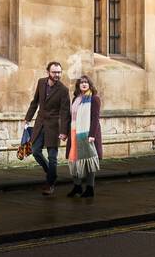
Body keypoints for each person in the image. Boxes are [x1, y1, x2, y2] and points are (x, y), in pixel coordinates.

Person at [24, 60, 71, 195]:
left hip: (54, 127)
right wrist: (27, 118)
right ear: (48, 72)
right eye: (54, 72)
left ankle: (50, 184)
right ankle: (51, 174)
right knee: (35, 151)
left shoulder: (63, 90)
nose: (57, 75)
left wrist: (64, 132)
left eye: (59, 72)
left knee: (52, 157)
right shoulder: (41, 82)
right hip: (40, 123)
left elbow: (65, 112)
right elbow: (35, 102)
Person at [66, 75, 103, 199]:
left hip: (87, 133)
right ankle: (77, 186)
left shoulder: (94, 99)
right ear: (78, 85)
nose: (84, 84)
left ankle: (89, 188)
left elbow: (95, 119)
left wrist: (92, 135)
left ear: (90, 84)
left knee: (88, 159)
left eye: (86, 82)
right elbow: (71, 117)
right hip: (74, 132)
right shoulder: (76, 99)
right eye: (81, 82)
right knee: (74, 158)